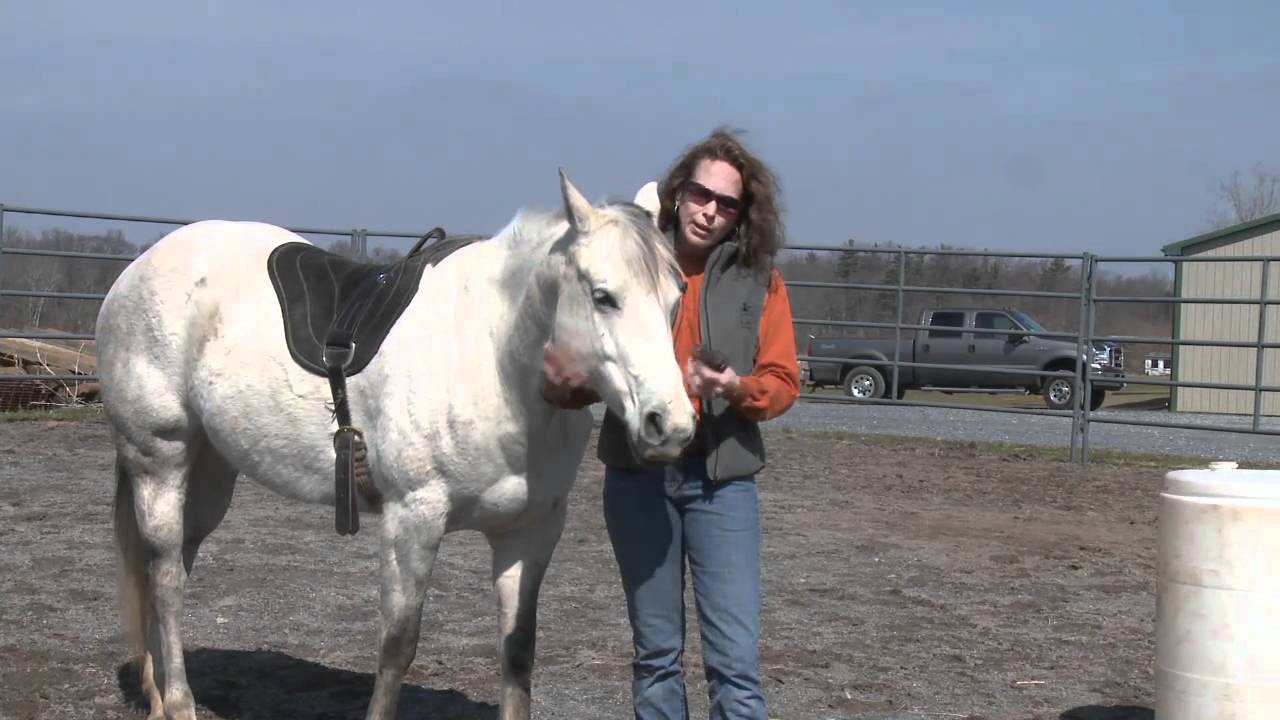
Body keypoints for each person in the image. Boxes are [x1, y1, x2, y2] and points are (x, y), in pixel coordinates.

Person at [543, 126, 801, 719]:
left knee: (735, 665)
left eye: (726, 204)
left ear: (741, 216)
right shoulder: (632, 261)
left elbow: (783, 381)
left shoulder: (760, 282)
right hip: (638, 483)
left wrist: (735, 388)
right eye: (700, 194)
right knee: (656, 655)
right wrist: (564, 389)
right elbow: (597, 367)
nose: (709, 211)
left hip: (723, 486)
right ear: (678, 193)